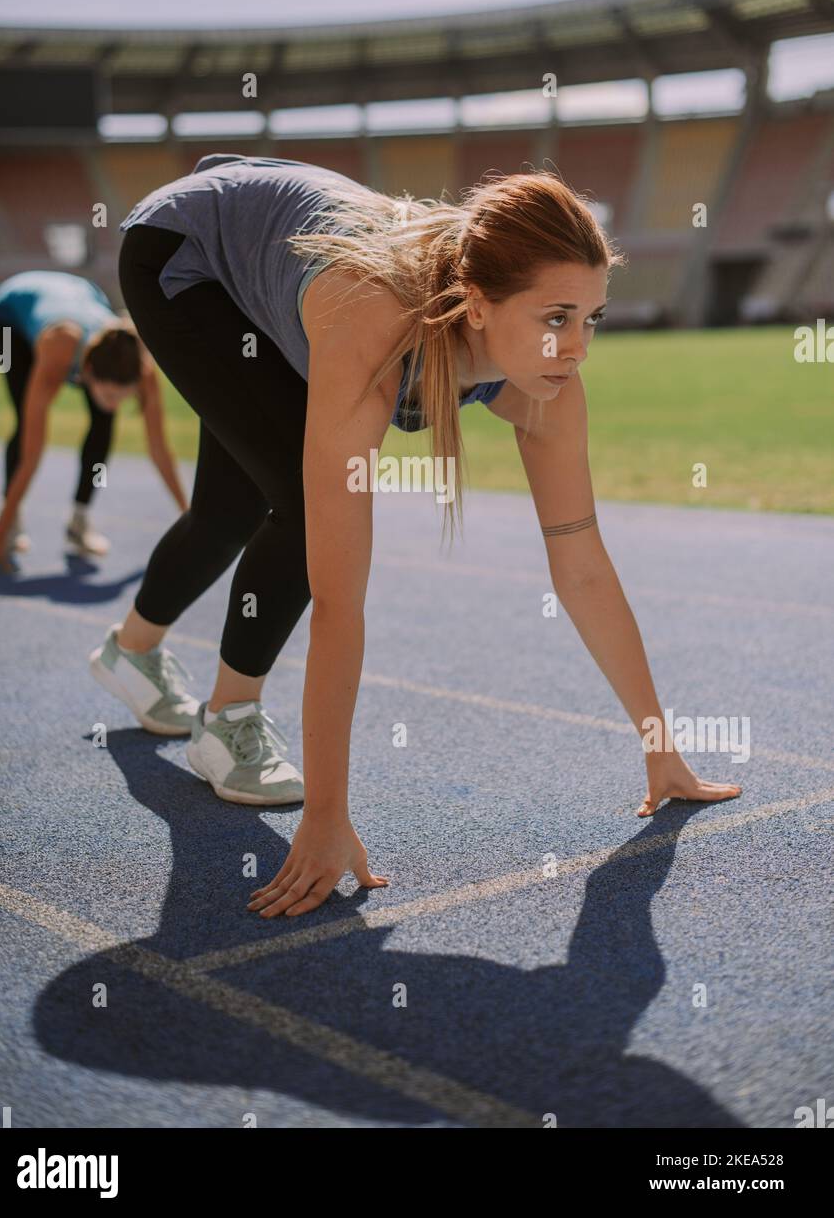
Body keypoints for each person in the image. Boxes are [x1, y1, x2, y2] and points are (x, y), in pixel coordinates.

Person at [92, 153, 742, 920]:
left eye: (589, 318)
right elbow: (340, 600)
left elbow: (583, 568)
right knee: (297, 510)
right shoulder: (371, 327)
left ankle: (130, 650)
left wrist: (658, 745)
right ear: (475, 305)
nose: (576, 348)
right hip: (188, 251)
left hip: (288, 263)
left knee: (237, 502)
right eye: (555, 318)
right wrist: (325, 813)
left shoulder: (548, 391)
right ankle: (225, 720)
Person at [0, 269, 189, 574]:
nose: (116, 403)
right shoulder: (58, 348)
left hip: (79, 291)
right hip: (11, 314)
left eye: (122, 397)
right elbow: (31, 455)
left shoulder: (141, 367)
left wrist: (188, 516)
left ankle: (79, 520)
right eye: (110, 394)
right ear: (85, 374)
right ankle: (9, 522)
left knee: (104, 422)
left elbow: (159, 448)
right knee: (25, 425)